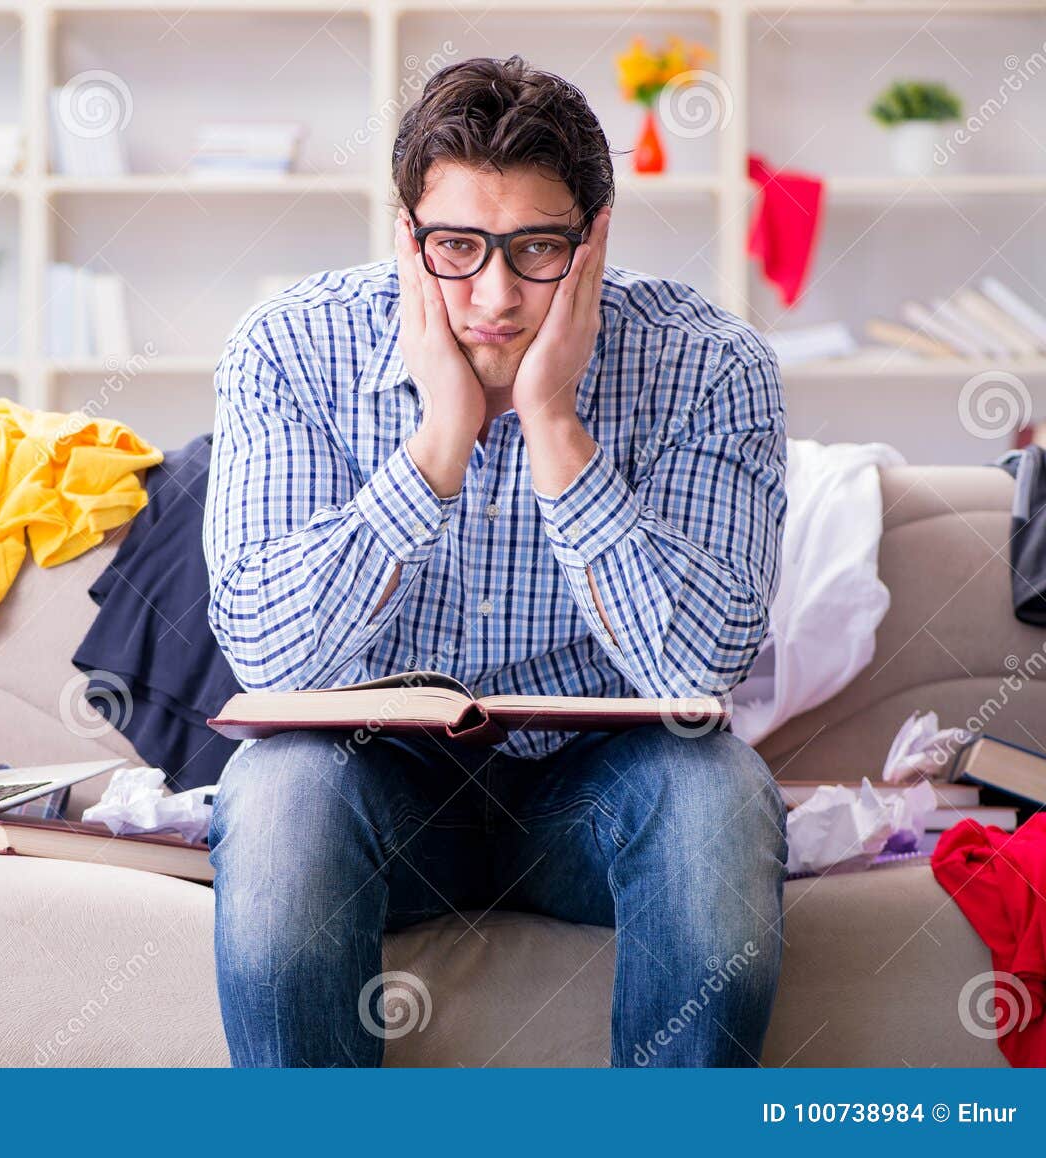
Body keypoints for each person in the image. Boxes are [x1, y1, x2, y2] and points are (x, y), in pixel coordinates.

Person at [201, 56, 789, 1067]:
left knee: (717, 793)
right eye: (457, 247)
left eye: (537, 250)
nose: (495, 295)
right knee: (276, 792)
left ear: (594, 237)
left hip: (600, 792)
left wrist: (553, 423)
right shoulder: (288, 347)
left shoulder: (711, 365)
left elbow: (700, 672)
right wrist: (439, 443)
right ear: (406, 235)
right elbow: (267, 655)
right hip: (375, 787)